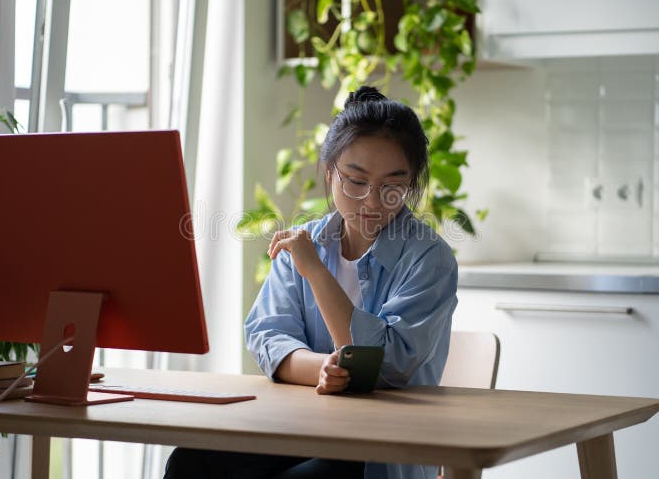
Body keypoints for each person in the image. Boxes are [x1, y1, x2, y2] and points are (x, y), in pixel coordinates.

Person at [164, 86, 459, 479]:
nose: (373, 202)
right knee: (190, 461)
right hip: (300, 431)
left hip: (378, 451)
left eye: (392, 186)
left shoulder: (428, 258)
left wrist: (318, 274)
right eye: (356, 181)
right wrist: (324, 369)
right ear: (329, 171)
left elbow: (388, 365)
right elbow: (268, 335)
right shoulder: (305, 241)